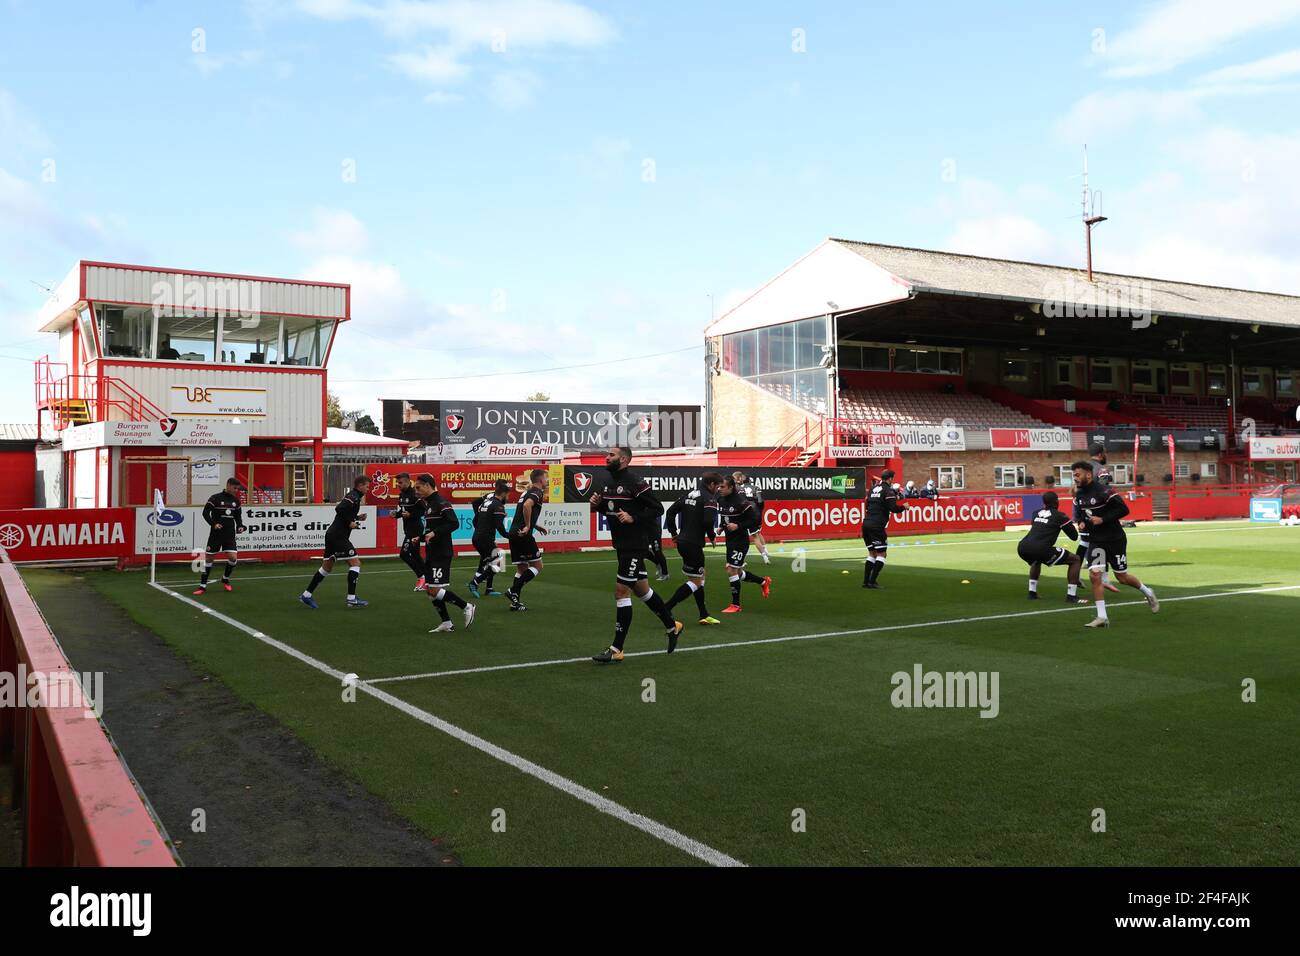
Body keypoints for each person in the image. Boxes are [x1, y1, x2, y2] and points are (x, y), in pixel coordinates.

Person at [589, 446, 684, 663]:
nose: (606, 457)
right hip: (622, 544)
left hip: (635, 544)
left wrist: (633, 517)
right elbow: (611, 509)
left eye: (611, 455)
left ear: (623, 459)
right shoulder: (607, 482)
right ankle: (673, 627)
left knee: (621, 592)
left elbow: (657, 508)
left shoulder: (636, 481)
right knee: (643, 590)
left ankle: (616, 649)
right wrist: (598, 506)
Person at [1072, 460, 1159, 628]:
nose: (1074, 478)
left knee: (1122, 577)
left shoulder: (1105, 491)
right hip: (1096, 540)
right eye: (1073, 475)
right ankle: (1102, 617)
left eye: (1077, 474)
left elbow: (1124, 510)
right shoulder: (1079, 495)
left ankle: (1148, 592)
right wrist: (1082, 522)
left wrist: (1102, 519)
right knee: (1094, 576)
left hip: (1115, 539)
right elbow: (1083, 515)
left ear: (1088, 474)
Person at [414, 474, 475, 632]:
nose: (416, 490)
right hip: (432, 551)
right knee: (429, 589)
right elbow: (430, 530)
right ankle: (447, 623)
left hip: (441, 552)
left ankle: (467, 606)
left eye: (418, 487)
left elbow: (454, 523)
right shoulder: (428, 504)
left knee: (434, 590)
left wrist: (435, 533)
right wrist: (420, 537)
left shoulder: (441, 502)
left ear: (428, 485)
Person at [300, 475, 370, 608]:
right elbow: (339, 509)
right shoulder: (353, 496)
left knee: (326, 568)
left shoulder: (355, 497)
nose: (368, 489)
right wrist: (350, 522)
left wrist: (357, 518)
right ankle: (351, 598)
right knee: (355, 563)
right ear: (360, 486)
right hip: (338, 536)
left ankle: (306, 595)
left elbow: (344, 513)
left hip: (332, 535)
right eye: (367, 486)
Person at [664, 472, 722, 625]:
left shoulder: (689, 494)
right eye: (718, 486)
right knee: (696, 581)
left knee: (698, 577)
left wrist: (674, 533)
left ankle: (703, 614)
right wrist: (711, 536)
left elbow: (670, 513)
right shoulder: (709, 498)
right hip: (693, 544)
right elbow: (709, 521)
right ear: (711, 485)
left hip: (683, 542)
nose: (718, 489)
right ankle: (665, 608)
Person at [716, 474, 771, 613]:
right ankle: (763, 582)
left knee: (731, 570)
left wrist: (738, 526)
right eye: (719, 486)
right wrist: (722, 527)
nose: (719, 488)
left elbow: (754, 520)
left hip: (740, 541)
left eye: (723, 486)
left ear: (731, 487)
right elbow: (725, 517)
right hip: (730, 540)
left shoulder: (741, 502)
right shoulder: (720, 499)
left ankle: (735, 605)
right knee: (738, 572)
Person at [1017, 491, 1084, 603]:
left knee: (1036, 560)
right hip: (1040, 548)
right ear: (1057, 502)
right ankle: (1071, 596)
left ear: (1044, 503)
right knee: (1076, 560)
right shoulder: (1061, 516)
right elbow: (1074, 536)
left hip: (1023, 547)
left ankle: (1032, 593)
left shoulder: (1035, 513)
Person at [1076, 443, 1120, 594]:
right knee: (1101, 542)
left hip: (1081, 508)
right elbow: (1104, 491)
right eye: (1105, 452)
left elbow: (1074, 490)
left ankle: (1075, 575)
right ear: (1101, 454)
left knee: (1084, 542)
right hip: (1097, 511)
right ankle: (1104, 579)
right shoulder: (1101, 470)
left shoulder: (1082, 468)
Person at [506, 470, 548, 612]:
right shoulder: (537, 492)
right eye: (546, 478)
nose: (547, 481)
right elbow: (526, 506)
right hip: (523, 534)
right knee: (538, 565)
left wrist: (535, 525)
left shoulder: (527, 492)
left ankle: (515, 602)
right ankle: (513, 590)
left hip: (514, 533)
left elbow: (522, 512)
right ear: (541, 480)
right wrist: (529, 526)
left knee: (522, 569)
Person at [194, 477, 246, 595]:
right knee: (209, 559)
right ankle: (202, 586)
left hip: (229, 534)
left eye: (237, 488)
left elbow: (238, 517)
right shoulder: (215, 498)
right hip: (216, 534)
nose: (236, 490)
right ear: (228, 485)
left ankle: (225, 578)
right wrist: (213, 524)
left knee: (233, 558)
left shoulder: (236, 501)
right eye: (234, 488)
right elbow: (205, 513)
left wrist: (240, 526)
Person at [862, 468, 906, 589]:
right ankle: (872, 581)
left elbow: (867, 504)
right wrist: (904, 507)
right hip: (877, 525)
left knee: (872, 553)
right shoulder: (888, 490)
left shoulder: (872, 489)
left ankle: (866, 582)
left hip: (866, 524)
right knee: (882, 554)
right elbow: (893, 508)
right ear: (890, 479)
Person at [468, 480, 510, 598]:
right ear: (503, 493)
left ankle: (489, 588)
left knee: (491, 560)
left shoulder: (486, 502)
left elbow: (475, 519)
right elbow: (500, 526)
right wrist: (509, 536)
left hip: (478, 537)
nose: (508, 497)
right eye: (508, 495)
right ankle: (475, 582)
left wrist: (481, 525)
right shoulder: (497, 504)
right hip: (484, 538)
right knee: (499, 560)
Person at [393, 472, 426, 591]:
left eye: (400, 482)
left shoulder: (414, 495)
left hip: (415, 529)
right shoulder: (401, 495)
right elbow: (403, 512)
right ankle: (428, 578)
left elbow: (424, 510)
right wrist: (396, 515)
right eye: (397, 482)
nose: (398, 484)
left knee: (404, 554)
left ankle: (421, 577)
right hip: (408, 528)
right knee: (416, 554)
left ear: (408, 482)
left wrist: (411, 514)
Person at [733, 471, 771, 564]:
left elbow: (740, 502)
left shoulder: (738, 489)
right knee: (757, 532)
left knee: (750, 536)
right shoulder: (756, 487)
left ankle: (764, 556)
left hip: (746, 513)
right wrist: (760, 509)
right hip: (756, 512)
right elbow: (760, 501)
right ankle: (766, 551)